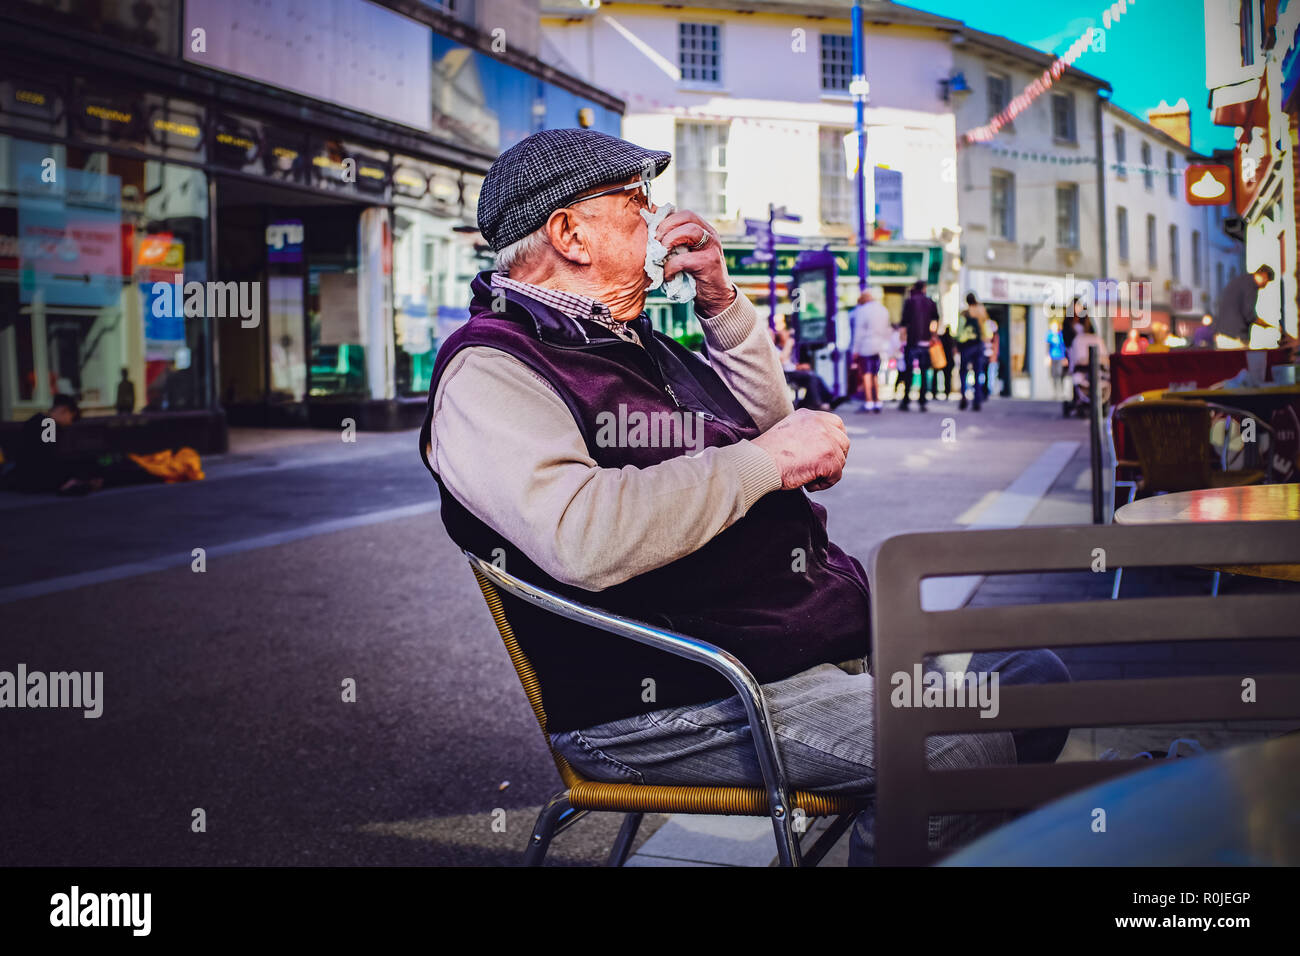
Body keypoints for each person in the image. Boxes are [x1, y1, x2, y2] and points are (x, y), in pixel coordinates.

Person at [417, 128, 1069, 866]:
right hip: (683, 699)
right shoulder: (492, 369)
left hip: (796, 652)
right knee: (947, 747)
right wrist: (762, 461)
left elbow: (767, 425)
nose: (658, 216)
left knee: (1036, 682)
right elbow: (582, 534)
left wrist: (720, 299)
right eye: (636, 201)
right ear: (570, 232)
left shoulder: (626, 341)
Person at [774, 317, 838, 411]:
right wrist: (788, 344)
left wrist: (799, 366)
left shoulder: (787, 347)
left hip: (792, 371)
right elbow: (782, 360)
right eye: (784, 334)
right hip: (786, 374)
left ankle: (827, 399)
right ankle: (816, 403)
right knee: (811, 378)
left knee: (815, 377)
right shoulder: (777, 348)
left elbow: (789, 364)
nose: (787, 334)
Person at [896, 280, 937, 411]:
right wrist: (932, 336)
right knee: (924, 373)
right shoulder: (930, 302)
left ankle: (906, 401)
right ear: (924, 288)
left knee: (909, 372)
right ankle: (922, 401)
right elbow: (935, 320)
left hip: (912, 341)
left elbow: (903, 322)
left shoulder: (910, 301)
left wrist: (903, 339)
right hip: (925, 342)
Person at [849, 288, 891, 413]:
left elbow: (859, 332)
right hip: (879, 346)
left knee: (866, 374)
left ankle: (869, 401)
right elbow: (887, 330)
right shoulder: (883, 310)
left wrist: (855, 349)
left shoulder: (862, 311)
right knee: (875, 375)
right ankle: (877, 400)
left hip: (866, 346)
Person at [1216, 265, 1275, 346]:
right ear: (1264, 276)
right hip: (1236, 337)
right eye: (1266, 282)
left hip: (1222, 334)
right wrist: (1266, 325)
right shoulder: (1251, 286)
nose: (1265, 286)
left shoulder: (1241, 281)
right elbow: (1248, 314)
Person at [956, 293, 987, 411]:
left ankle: (963, 396)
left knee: (963, 372)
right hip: (979, 345)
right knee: (978, 373)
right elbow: (986, 330)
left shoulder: (964, 313)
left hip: (966, 347)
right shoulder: (981, 312)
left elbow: (959, 331)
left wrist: (957, 343)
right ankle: (977, 400)